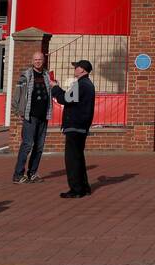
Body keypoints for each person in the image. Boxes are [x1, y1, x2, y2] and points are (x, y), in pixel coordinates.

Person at [11, 51, 55, 184]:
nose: (38, 61)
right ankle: (18, 174)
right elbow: (17, 94)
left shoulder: (47, 75)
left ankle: (32, 173)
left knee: (39, 146)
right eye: (35, 59)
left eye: (40, 59)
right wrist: (18, 111)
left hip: (43, 116)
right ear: (32, 61)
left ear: (44, 61)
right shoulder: (26, 76)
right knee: (27, 145)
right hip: (30, 116)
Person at [53, 60, 95, 198]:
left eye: (77, 67)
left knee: (72, 159)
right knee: (78, 157)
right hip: (81, 126)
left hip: (75, 126)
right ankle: (84, 186)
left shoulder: (81, 84)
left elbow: (66, 99)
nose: (75, 69)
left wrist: (55, 88)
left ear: (82, 70)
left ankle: (76, 189)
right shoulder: (87, 84)